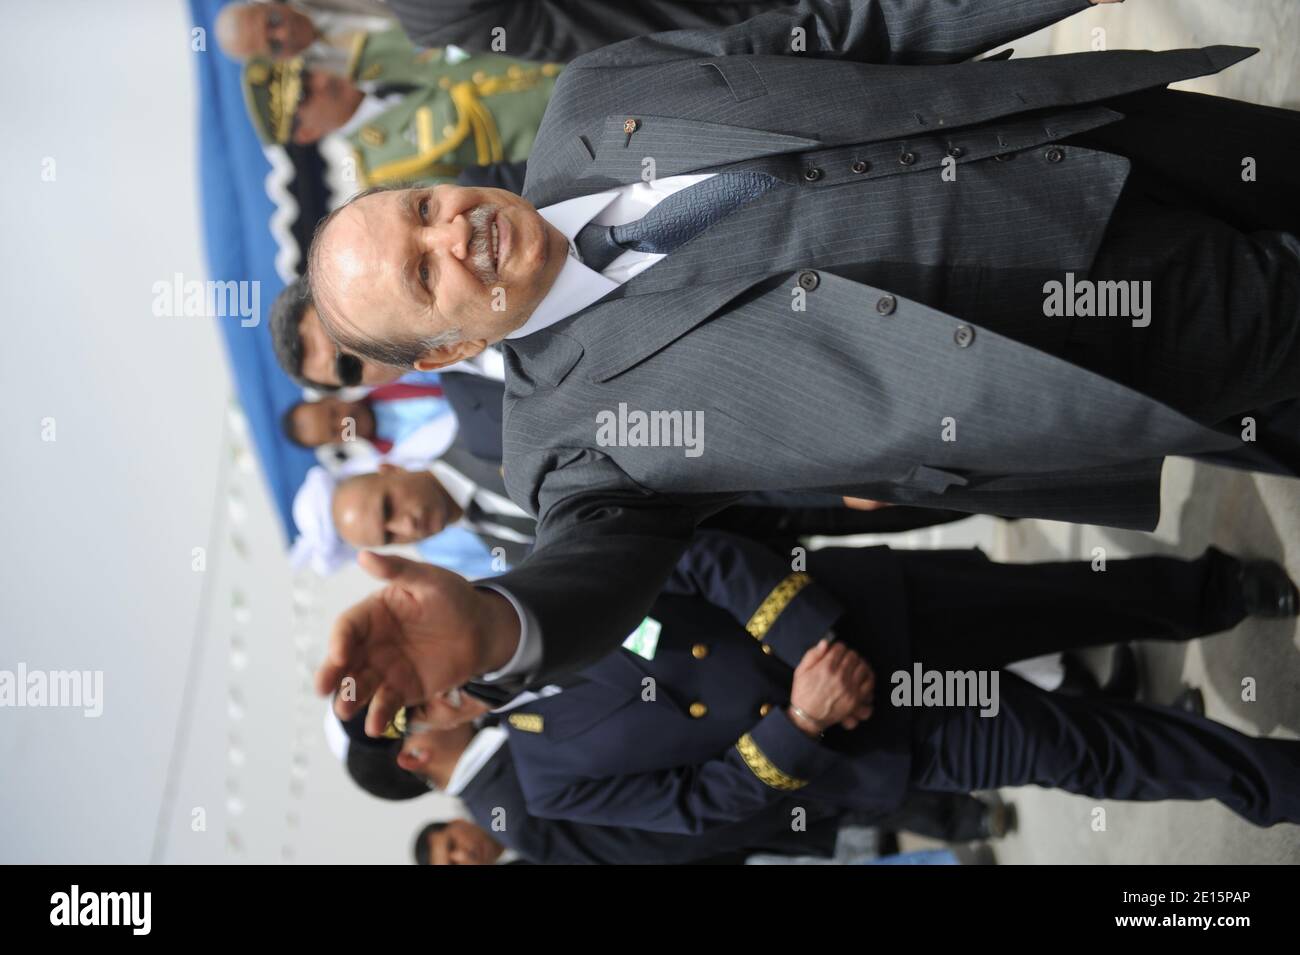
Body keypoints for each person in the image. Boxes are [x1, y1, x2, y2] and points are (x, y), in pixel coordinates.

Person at [307, 0, 1300, 693]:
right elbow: (595, 572)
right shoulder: (567, 445)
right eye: (425, 273)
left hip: (1101, 142)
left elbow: (833, 33)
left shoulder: (591, 97)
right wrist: (494, 626)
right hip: (1087, 335)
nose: (454, 231)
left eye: (424, 207)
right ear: (440, 352)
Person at [330, 530, 1300, 831]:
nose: (434, 698)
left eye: (415, 679)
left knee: (1065, 601)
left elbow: (691, 554)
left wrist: (802, 641)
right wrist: (800, 719)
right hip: (873, 732)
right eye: (410, 709)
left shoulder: (538, 597)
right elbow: (701, 806)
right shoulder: (545, 783)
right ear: (420, 747)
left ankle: (1208, 591)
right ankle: (1279, 785)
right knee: (1080, 750)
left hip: (862, 616)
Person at [240, 38, 560, 186]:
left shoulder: (378, 48)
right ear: (306, 133)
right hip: (577, 123)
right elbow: (490, 191)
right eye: (306, 96)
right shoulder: (385, 171)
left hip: (565, 42)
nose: (322, 80)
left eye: (308, 74)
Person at [216, 1, 393, 69]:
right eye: (274, 45)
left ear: (269, 4)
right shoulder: (316, 87)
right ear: (272, 60)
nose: (284, 34)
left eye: (273, 21)